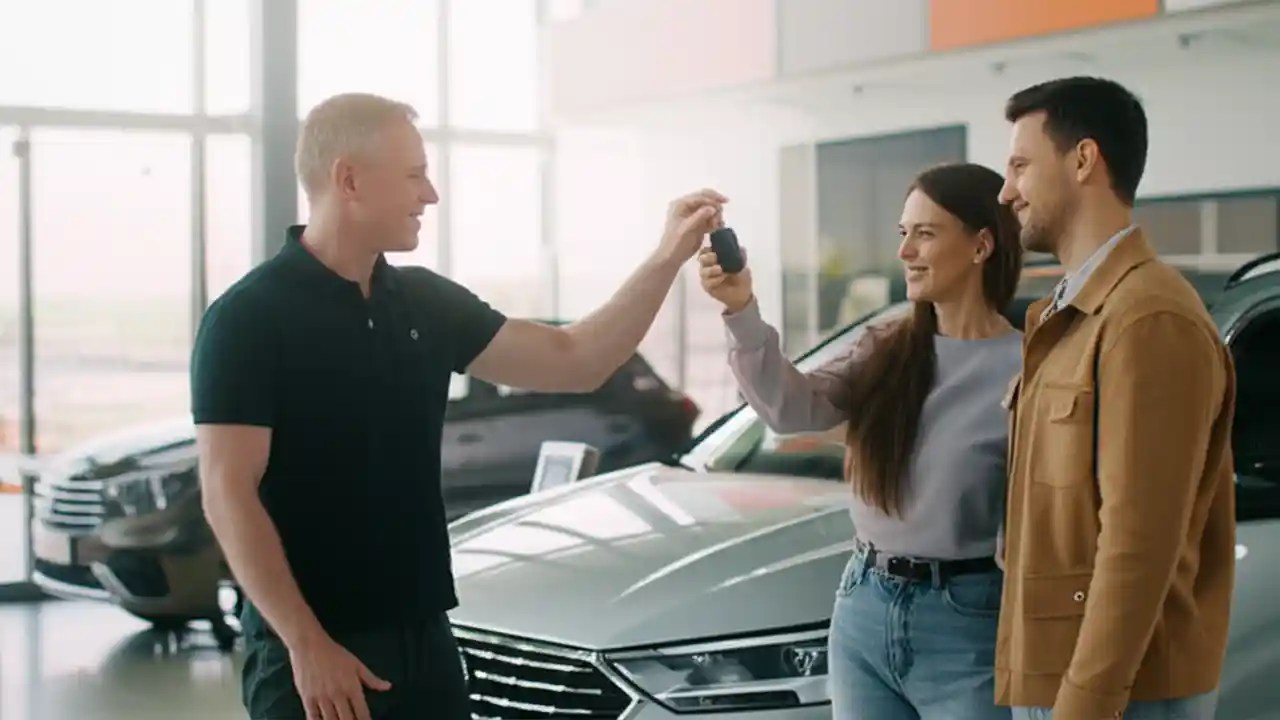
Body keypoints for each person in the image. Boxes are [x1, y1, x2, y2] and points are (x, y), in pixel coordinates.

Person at [190, 92, 726, 720]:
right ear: (349, 179)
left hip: (428, 644)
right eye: (414, 174)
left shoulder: (423, 303)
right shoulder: (248, 318)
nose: (431, 195)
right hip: (315, 653)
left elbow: (577, 358)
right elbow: (228, 492)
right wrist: (306, 644)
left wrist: (667, 256)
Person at [700, 162, 1023, 719]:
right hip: (863, 607)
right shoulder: (886, 349)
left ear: (981, 245)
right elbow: (789, 407)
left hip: (969, 621)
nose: (905, 252)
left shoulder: (1031, 366)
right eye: (903, 233)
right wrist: (740, 308)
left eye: (926, 233)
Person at [995, 76, 1236, 720]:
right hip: (1061, 679)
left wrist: (1085, 703)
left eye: (1020, 165)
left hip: (1118, 693)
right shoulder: (1070, 316)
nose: (1005, 190)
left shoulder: (1147, 317)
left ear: (1083, 160)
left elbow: (1139, 541)